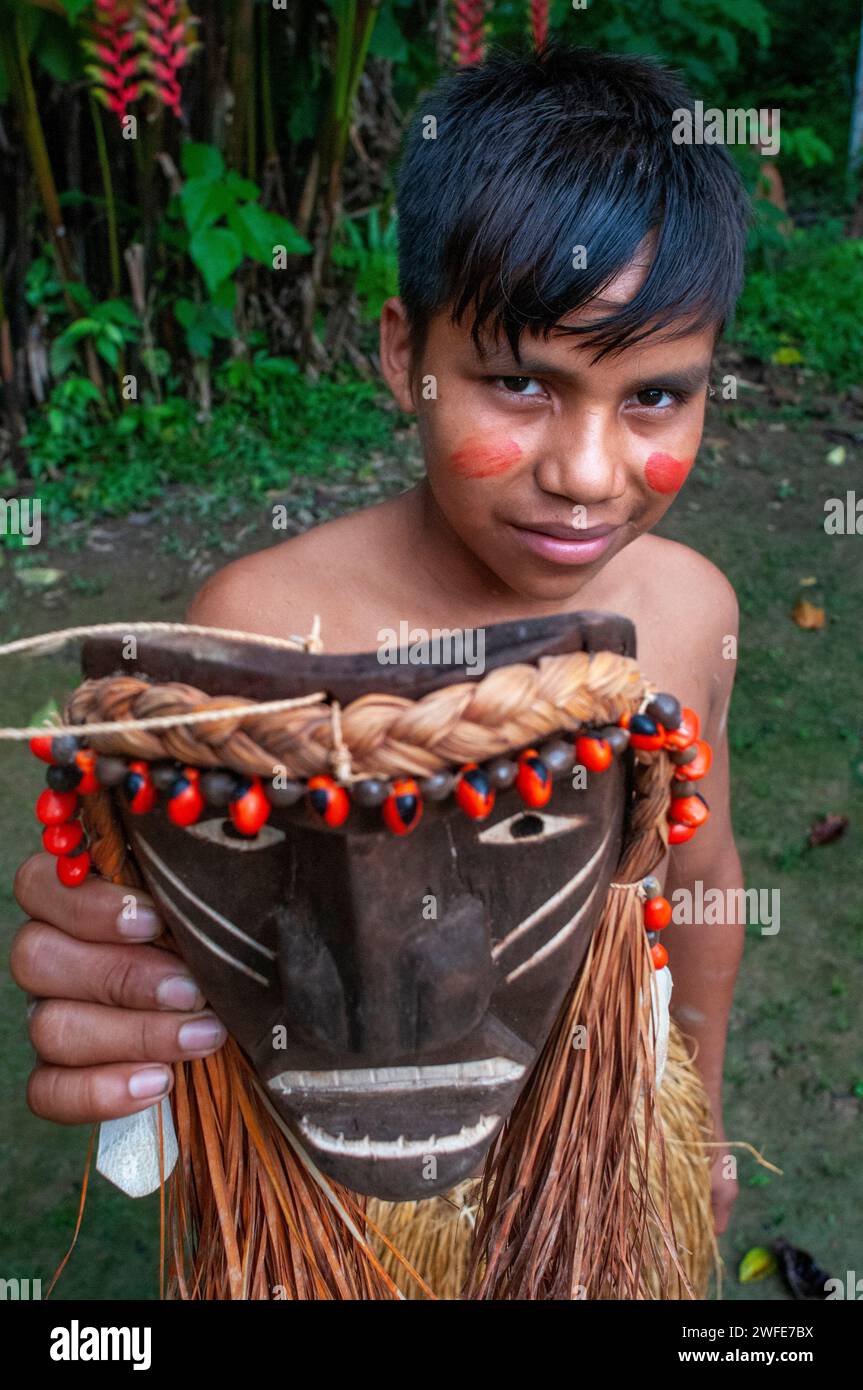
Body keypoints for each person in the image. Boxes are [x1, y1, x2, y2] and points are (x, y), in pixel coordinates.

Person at [11, 43, 747, 1241]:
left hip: (595, 1172)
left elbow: (703, 875)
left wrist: (697, 1115)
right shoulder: (256, 630)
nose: (587, 472)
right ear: (405, 354)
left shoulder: (689, 611)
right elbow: (200, 947)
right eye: (518, 383)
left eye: (655, 395)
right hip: (337, 1214)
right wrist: (126, 970)